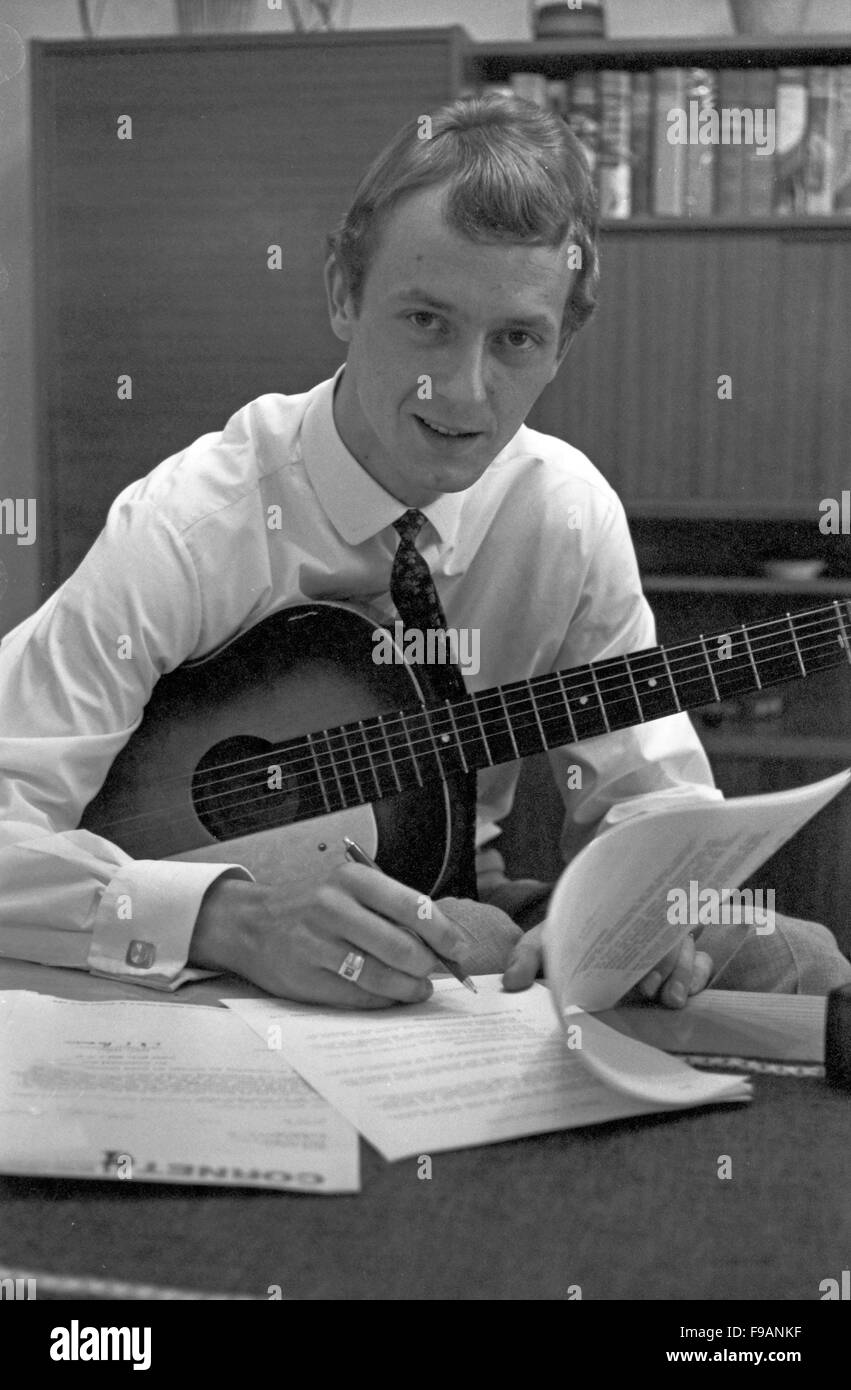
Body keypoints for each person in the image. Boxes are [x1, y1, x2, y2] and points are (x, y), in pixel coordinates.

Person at [1, 95, 848, 1008]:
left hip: (464, 899)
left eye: (516, 338)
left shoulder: (562, 515)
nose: (462, 389)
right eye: (425, 321)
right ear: (341, 292)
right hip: (209, 954)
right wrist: (227, 920)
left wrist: (649, 911)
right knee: (469, 944)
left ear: (562, 345)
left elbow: (650, 794)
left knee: (794, 961)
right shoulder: (188, 525)